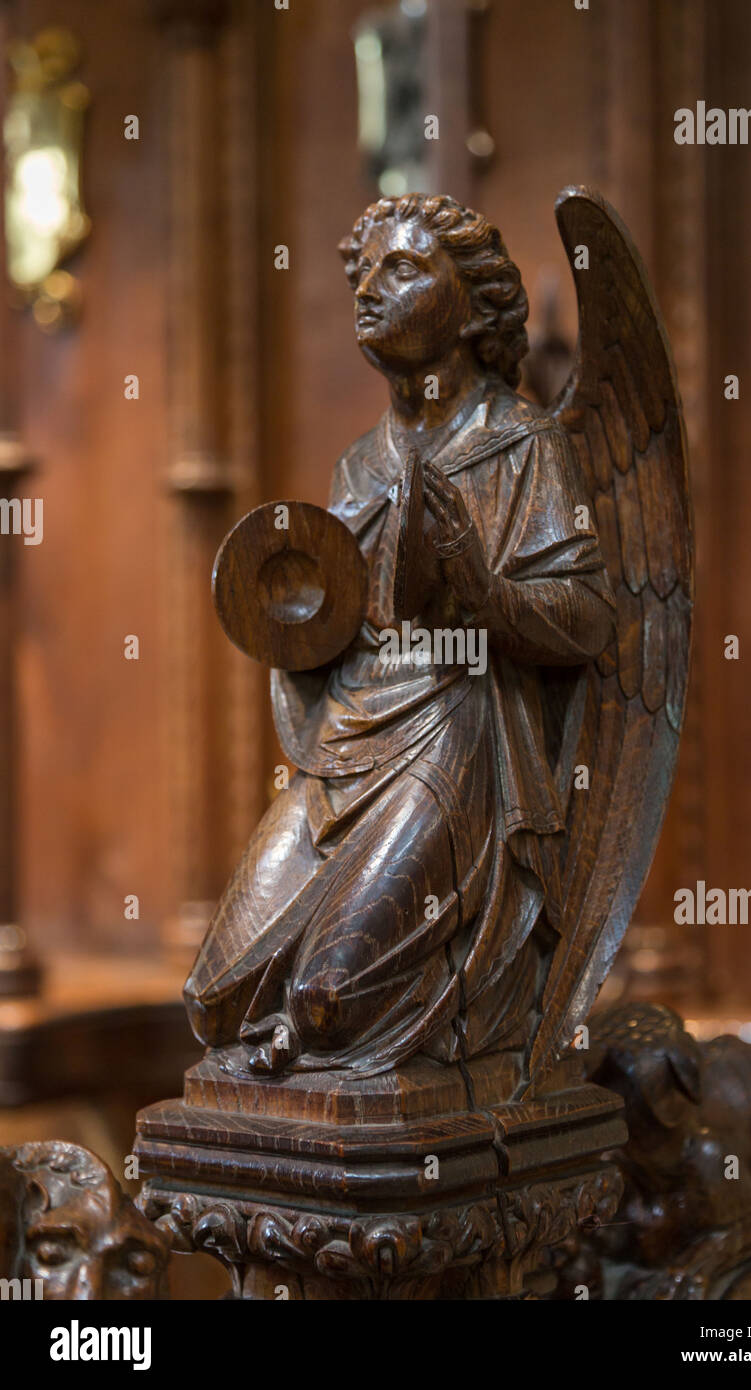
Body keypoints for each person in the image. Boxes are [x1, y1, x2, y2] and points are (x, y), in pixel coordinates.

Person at [184, 193, 615, 1077]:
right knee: (215, 1000)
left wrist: (486, 595)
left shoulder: (522, 445)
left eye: (406, 269)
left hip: (456, 739)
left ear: (473, 310)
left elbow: (591, 618)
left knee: (327, 1002)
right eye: (364, 274)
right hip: (346, 745)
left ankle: (411, 1041)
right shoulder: (360, 463)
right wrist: (290, 621)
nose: (372, 289)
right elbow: (324, 634)